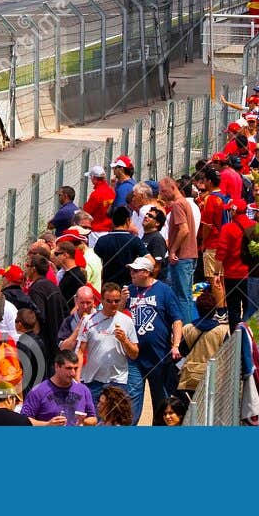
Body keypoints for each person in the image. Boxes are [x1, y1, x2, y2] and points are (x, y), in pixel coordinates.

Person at [127, 254, 183, 425]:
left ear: (146, 272)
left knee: (161, 403)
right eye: (131, 271)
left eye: (135, 271)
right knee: (132, 402)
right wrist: (122, 301)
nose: (132, 274)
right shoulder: (128, 291)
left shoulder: (164, 290)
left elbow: (177, 319)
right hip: (134, 357)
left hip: (159, 357)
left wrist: (176, 345)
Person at [78, 281, 140, 406]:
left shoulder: (126, 321)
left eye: (117, 301)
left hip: (117, 381)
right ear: (101, 300)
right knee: (92, 420)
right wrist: (77, 379)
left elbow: (134, 354)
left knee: (115, 421)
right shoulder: (89, 321)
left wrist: (124, 340)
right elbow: (80, 351)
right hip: (93, 381)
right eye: (109, 301)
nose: (113, 304)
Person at [20, 350, 96, 426]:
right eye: (68, 368)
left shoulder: (83, 390)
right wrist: (47, 424)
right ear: (57, 366)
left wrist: (83, 421)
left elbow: (93, 419)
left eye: (75, 368)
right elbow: (24, 420)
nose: (73, 373)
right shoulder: (38, 392)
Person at [161, 177, 199, 322]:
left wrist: (173, 250)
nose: (162, 195)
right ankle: (188, 328)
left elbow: (184, 230)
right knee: (187, 295)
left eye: (164, 191)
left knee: (181, 296)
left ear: (172, 188)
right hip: (189, 255)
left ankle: (184, 330)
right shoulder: (186, 203)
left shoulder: (178, 205)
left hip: (182, 257)